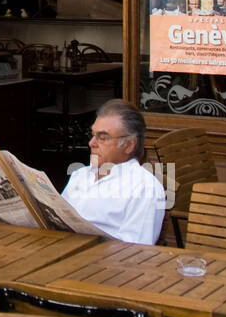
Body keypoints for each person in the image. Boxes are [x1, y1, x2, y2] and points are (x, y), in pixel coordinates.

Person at [61, 100, 166, 244]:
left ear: (129, 144)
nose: (91, 143)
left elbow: (136, 249)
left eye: (102, 138)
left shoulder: (144, 187)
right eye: (92, 135)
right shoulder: (80, 175)